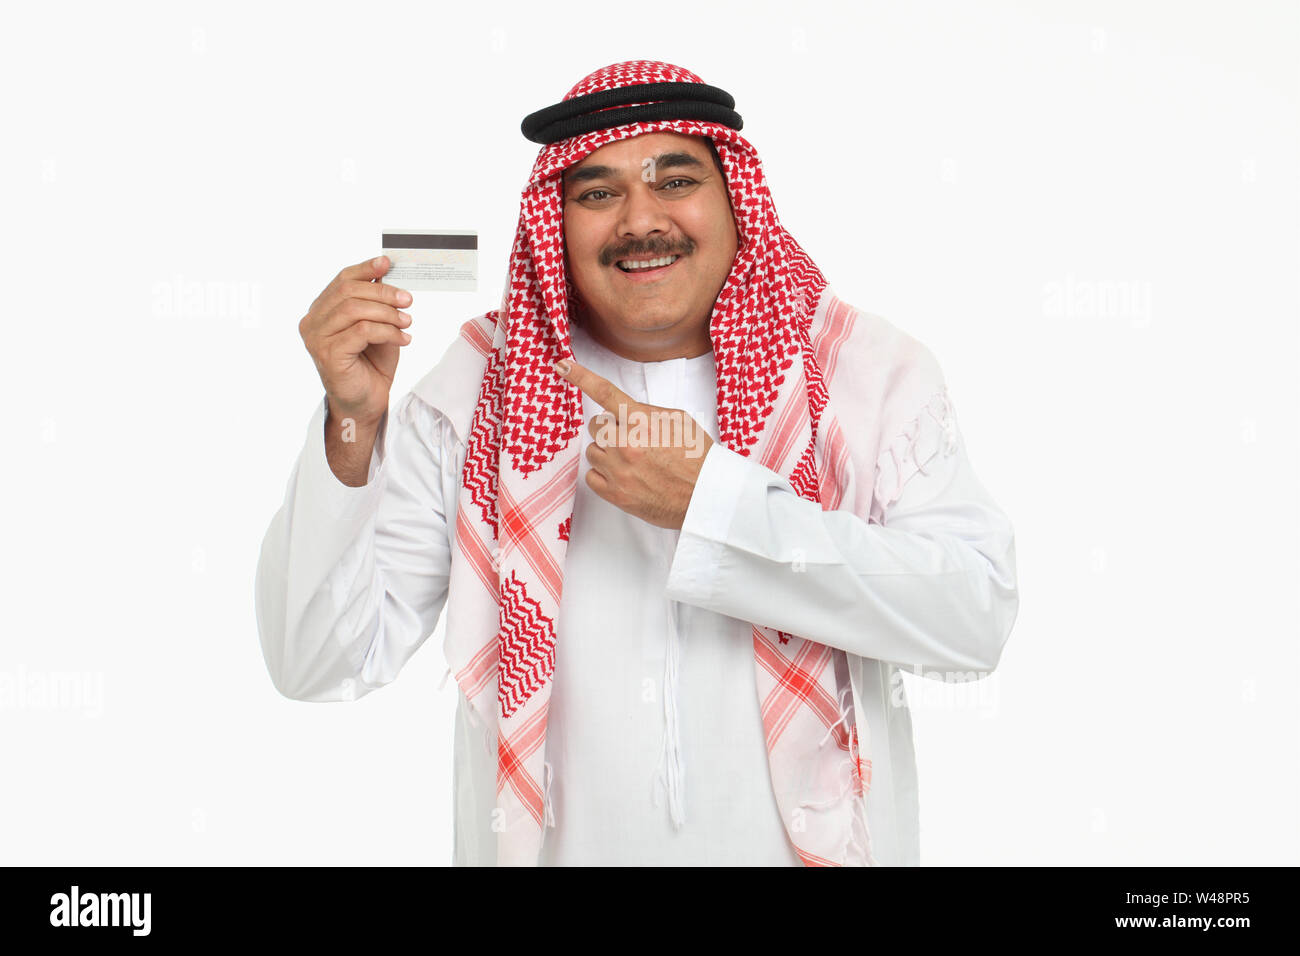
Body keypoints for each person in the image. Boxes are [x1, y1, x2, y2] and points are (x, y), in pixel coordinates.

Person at [255, 60, 1020, 867]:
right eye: (596, 193)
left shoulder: (863, 372)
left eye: (675, 179)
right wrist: (352, 422)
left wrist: (715, 506)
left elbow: (974, 618)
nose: (639, 220)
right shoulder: (481, 389)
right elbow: (317, 662)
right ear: (558, 221)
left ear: (735, 200)